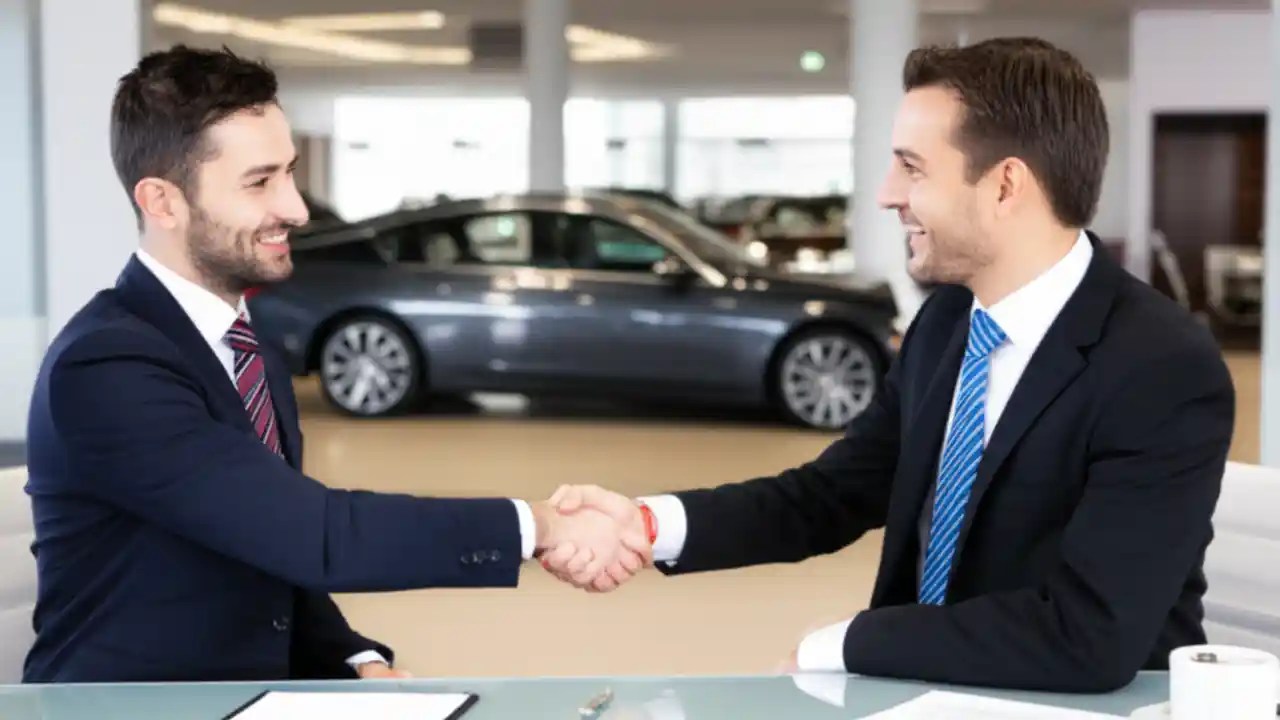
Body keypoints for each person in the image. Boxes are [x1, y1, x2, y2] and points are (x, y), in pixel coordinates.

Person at [541, 37, 1235, 693]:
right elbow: (831, 495)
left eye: (912, 166)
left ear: (1004, 187)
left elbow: (1088, 635)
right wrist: (648, 525)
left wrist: (843, 645)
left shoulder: (1161, 366)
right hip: (926, 690)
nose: (885, 194)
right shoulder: (945, 325)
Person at [22, 45, 646, 684]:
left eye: (290, 173)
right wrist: (538, 525)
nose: (295, 208)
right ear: (162, 202)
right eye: (260, 181)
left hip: (252, 692)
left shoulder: (246, 347)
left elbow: (267, 542)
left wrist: (355, 658)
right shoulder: (106, 367)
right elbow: (310, 534)